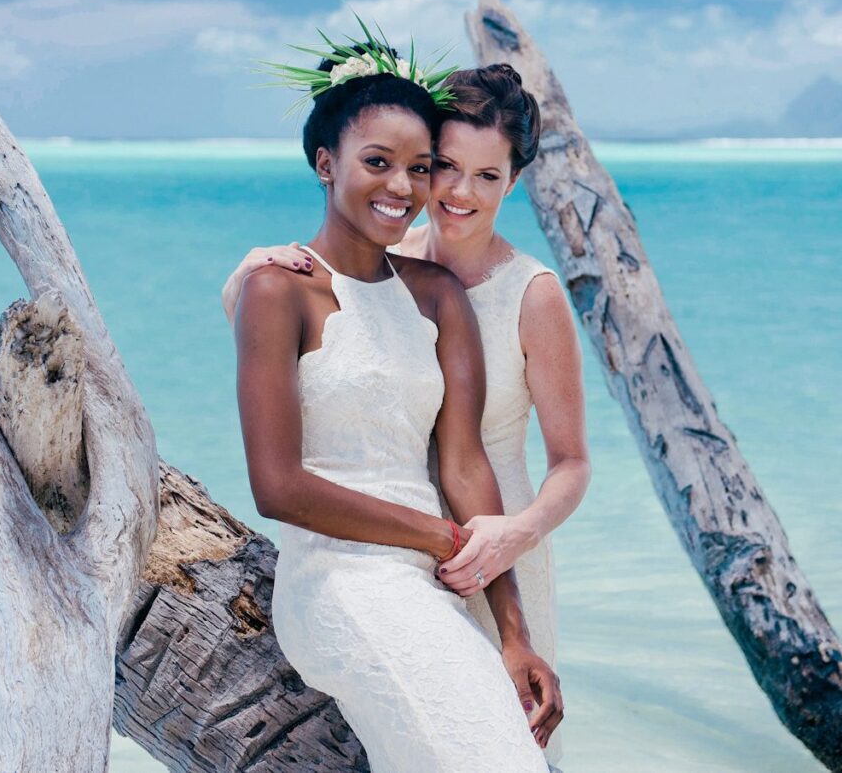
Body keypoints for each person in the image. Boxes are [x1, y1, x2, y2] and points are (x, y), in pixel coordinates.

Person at [226, 62, 590, 769]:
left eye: (416, 167)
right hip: (355, 571)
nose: (417, 187)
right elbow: (276, 484)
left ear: (512, 183)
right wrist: (440, 536)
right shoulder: (282, 287)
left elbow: (466, 460)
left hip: (463, 562)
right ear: (324, 162)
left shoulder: (441, 293)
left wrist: (514, 632)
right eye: (436, 167)